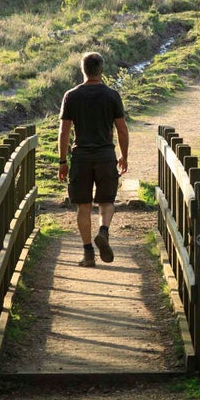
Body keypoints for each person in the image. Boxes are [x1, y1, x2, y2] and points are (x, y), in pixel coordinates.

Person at [57, 52, 129, 267]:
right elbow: (122, 129)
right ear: (101, 70)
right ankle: (104, 232)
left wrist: (62, 161)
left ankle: (88, 254)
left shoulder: (71, 95)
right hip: (106, 156)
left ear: (83, 69)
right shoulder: (112, 95)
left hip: (81, 158)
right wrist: (124, 156)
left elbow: (64, 131)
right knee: (107, 202)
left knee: (83, 207)